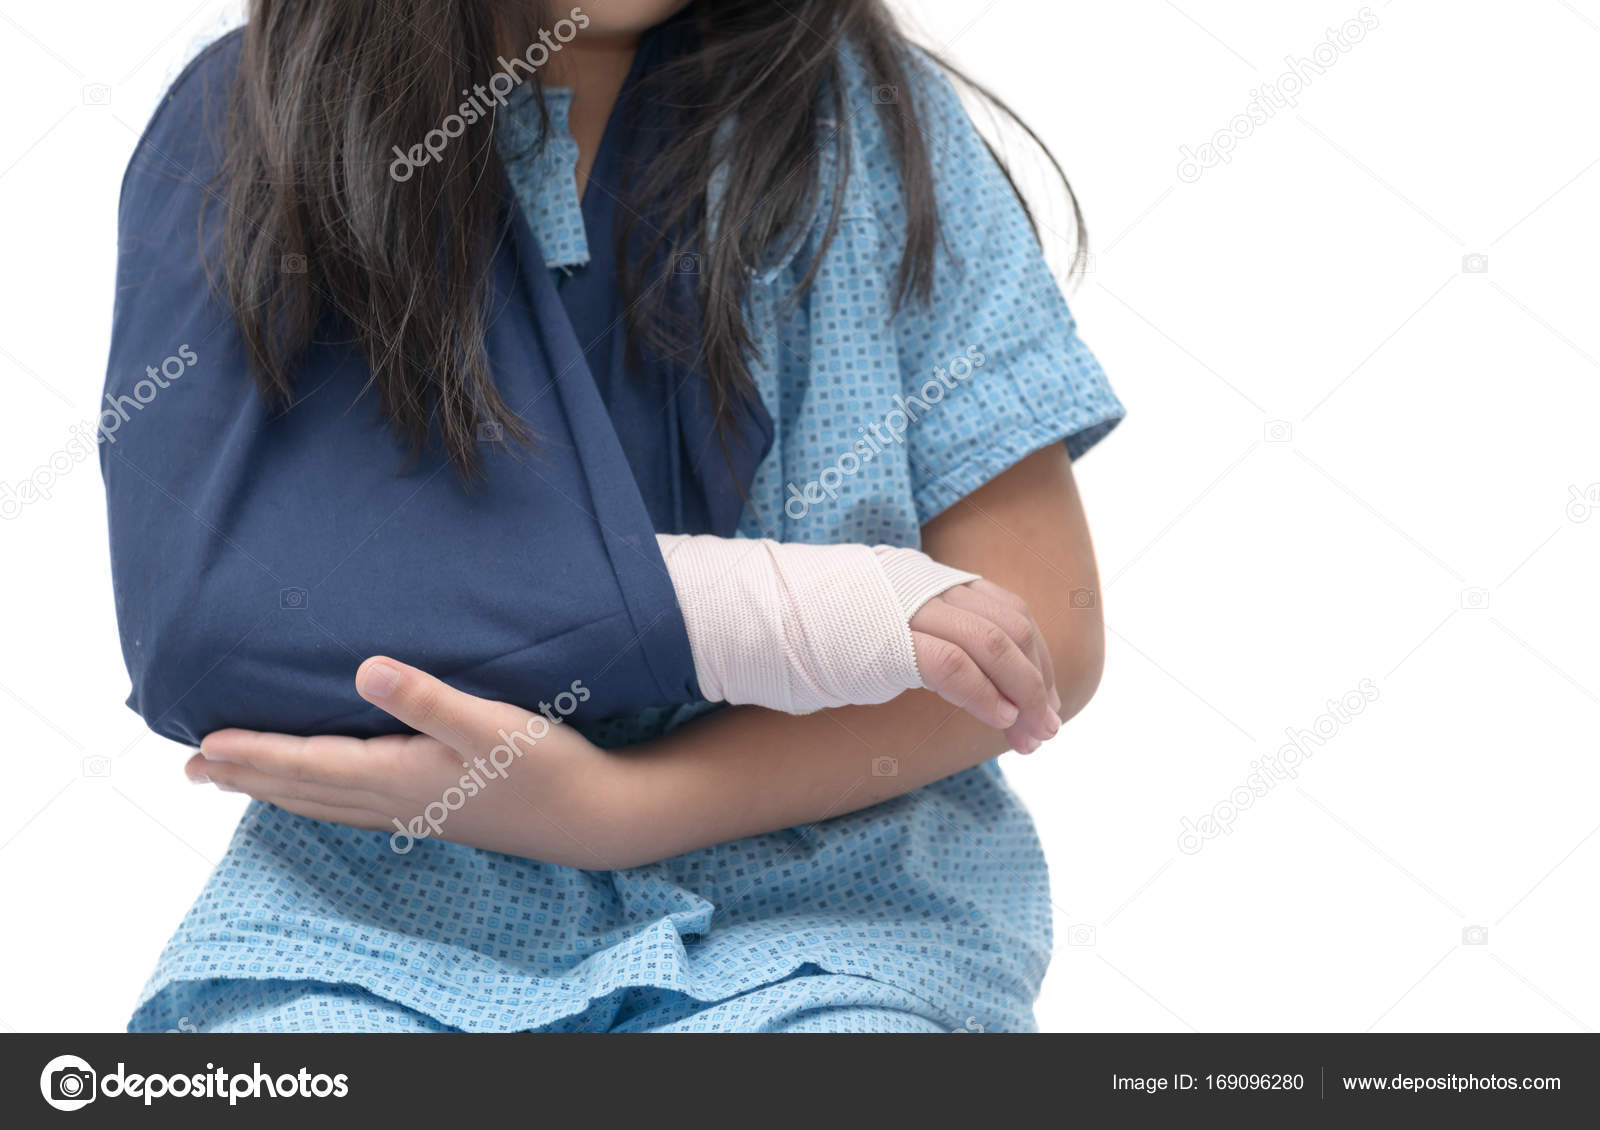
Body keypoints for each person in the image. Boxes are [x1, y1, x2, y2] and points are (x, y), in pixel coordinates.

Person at [105, 0, 1123, 1033]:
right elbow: (208, 618)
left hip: (828, 917)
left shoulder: (870, 125)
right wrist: (767, 612)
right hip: (370, 918)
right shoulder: (261, 114)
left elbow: (1041, 629)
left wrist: (626, 813)